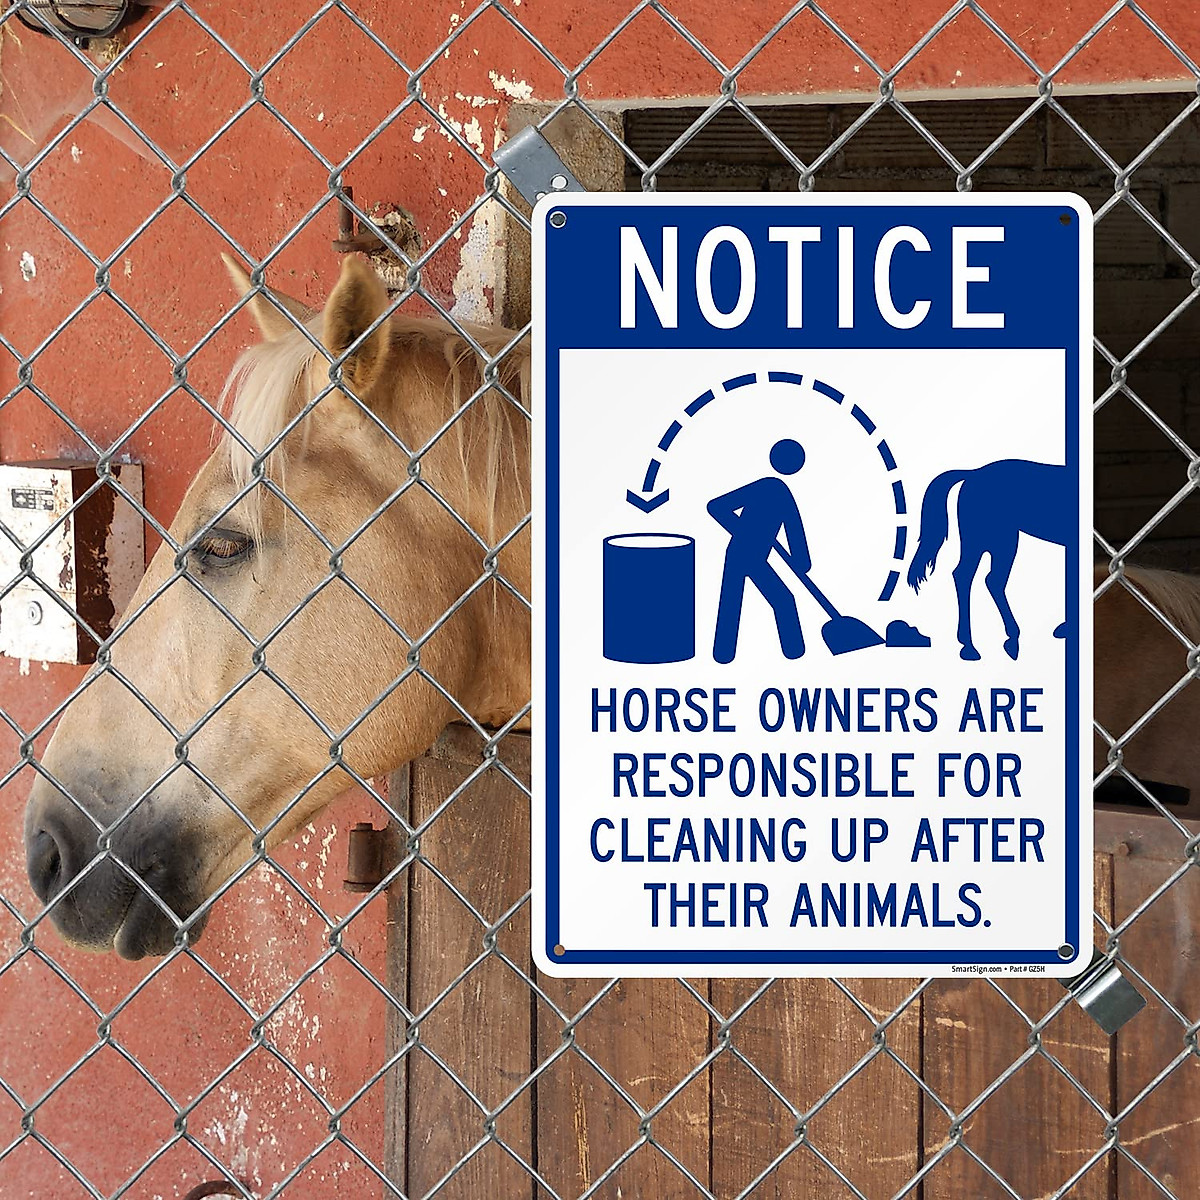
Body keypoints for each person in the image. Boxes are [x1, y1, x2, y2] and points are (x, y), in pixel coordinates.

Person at [707, 439, 810, 664]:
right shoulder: (768, 487)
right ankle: (793, 652)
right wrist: (744, 531)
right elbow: (716, 506)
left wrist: (801, 560)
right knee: (777, 600)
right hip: (740, 553)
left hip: (753, 555)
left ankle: (724, 655)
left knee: (774, 600)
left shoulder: (779, 492)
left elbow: (793, 528)